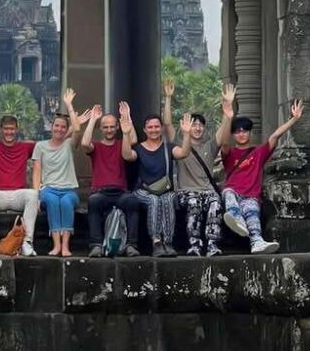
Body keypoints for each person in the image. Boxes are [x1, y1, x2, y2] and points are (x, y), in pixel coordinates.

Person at [162, 80, 237, 257]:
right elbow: (167, 125)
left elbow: (224, 137)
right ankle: (194, 244)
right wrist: (168, 98)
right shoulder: (180, 144)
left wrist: (228, 113)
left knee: (216, 203)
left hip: (208, 190)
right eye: (193, 124)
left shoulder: (209, 146)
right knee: (194, 204)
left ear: (204, 128)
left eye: (200, 125)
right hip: (186, 192)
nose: (196, 128)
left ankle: (212, 244)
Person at [221, 99, 305, 254]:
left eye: (244, 130)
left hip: (251, 195)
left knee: (252, 212)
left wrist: (294, 119)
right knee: (228, 194)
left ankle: (257, 242)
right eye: (237, 131)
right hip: (233, 192)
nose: (241, 134)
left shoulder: (258, 152)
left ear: (250, 132)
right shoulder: (230, 153)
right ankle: (235, 217)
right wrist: (227, 117)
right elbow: (224, 143)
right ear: (233, 135)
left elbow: (275, 136)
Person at [120, 106, 195, 257]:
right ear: (145, 130)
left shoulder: (168, 147)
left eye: (156, 127)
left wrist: (187, 134)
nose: (153, 130)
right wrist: (126, 134)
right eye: (150, 127)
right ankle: (156, 242)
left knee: (167, 199)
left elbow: (183, 153)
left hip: (165, 190)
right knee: (154, 200)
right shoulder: (140, 148)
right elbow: (127, 156)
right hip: (143, 191)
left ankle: (168, 242)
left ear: (161, 128)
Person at [32, 88, 88, 257]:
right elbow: (36, 172)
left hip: (68, 189)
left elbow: (77, 130)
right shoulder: (40, 146)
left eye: (63, 127)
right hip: (49, 189)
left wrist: (69, 105)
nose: (59, 129)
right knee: (52, 202)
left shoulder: (69, 144)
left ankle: (65, 246)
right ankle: (56, 245)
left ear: (66, 129)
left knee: (65, 203)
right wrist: (36, 196)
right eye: (57, 125)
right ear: (52, 127)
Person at [81, 102, 140, 258]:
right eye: (105, 127)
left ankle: (131, 245)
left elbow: (132, 139)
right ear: (101, 129)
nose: (109, 130)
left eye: (112, 126)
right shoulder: (96, 146)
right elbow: (84, 143)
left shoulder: (122, 144)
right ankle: (96, 245)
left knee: (133, 201)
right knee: (93, 201)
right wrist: (93, 119)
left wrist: (127, 117)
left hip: (121, 192)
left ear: (117, 127)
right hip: (100, 192)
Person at [0, 111, 38, 257]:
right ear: (1, 129)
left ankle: (26, 242)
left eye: (12, 129)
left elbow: (53, 144)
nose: (9, 132)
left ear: (16, 129)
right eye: (6, 128)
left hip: (18, 195)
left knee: (33, 194)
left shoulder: (25, 147)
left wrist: (72, 128)